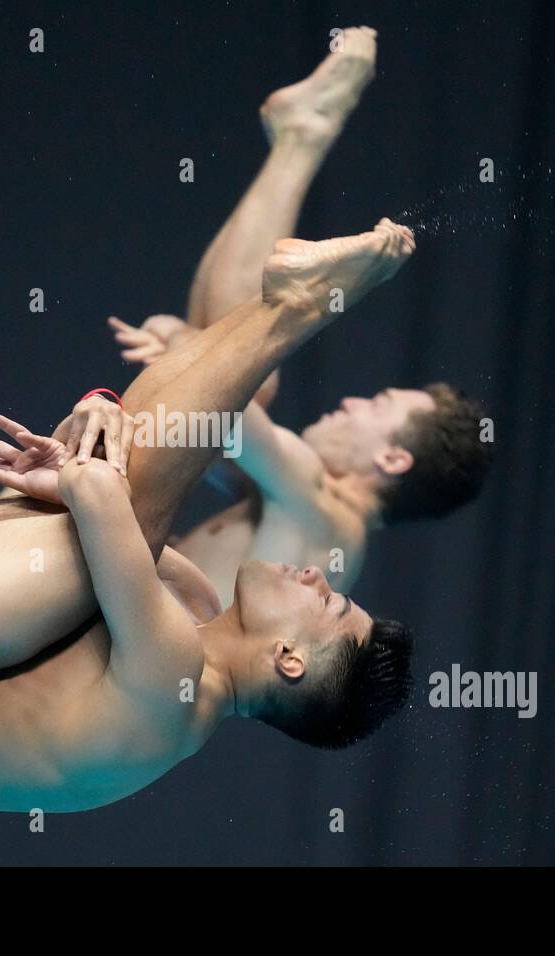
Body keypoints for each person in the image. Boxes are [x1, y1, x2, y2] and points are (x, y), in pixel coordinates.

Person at [0, 219, 416, 812]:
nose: (318, 577)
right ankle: (282, 301)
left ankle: (299, 305)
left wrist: (98, 411)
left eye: (330, 602)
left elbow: (101, 487)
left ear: (288, 658)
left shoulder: (177, 692)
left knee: (134, 504)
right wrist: (86, 443)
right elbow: (91, 488)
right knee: (128, 504)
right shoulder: (194, 604)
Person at [108, 26, 490, 602]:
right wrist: (182, 343)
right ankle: (300, 138)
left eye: (378, 405)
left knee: (245, 384)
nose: (354, 401)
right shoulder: (308, 513)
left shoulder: (319, 503)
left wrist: (178, 338)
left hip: (142, 670)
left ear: (392, 458)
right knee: (236, 382)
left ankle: (302, 139)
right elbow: (208, 418)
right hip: (138, 655)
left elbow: (219, 402)